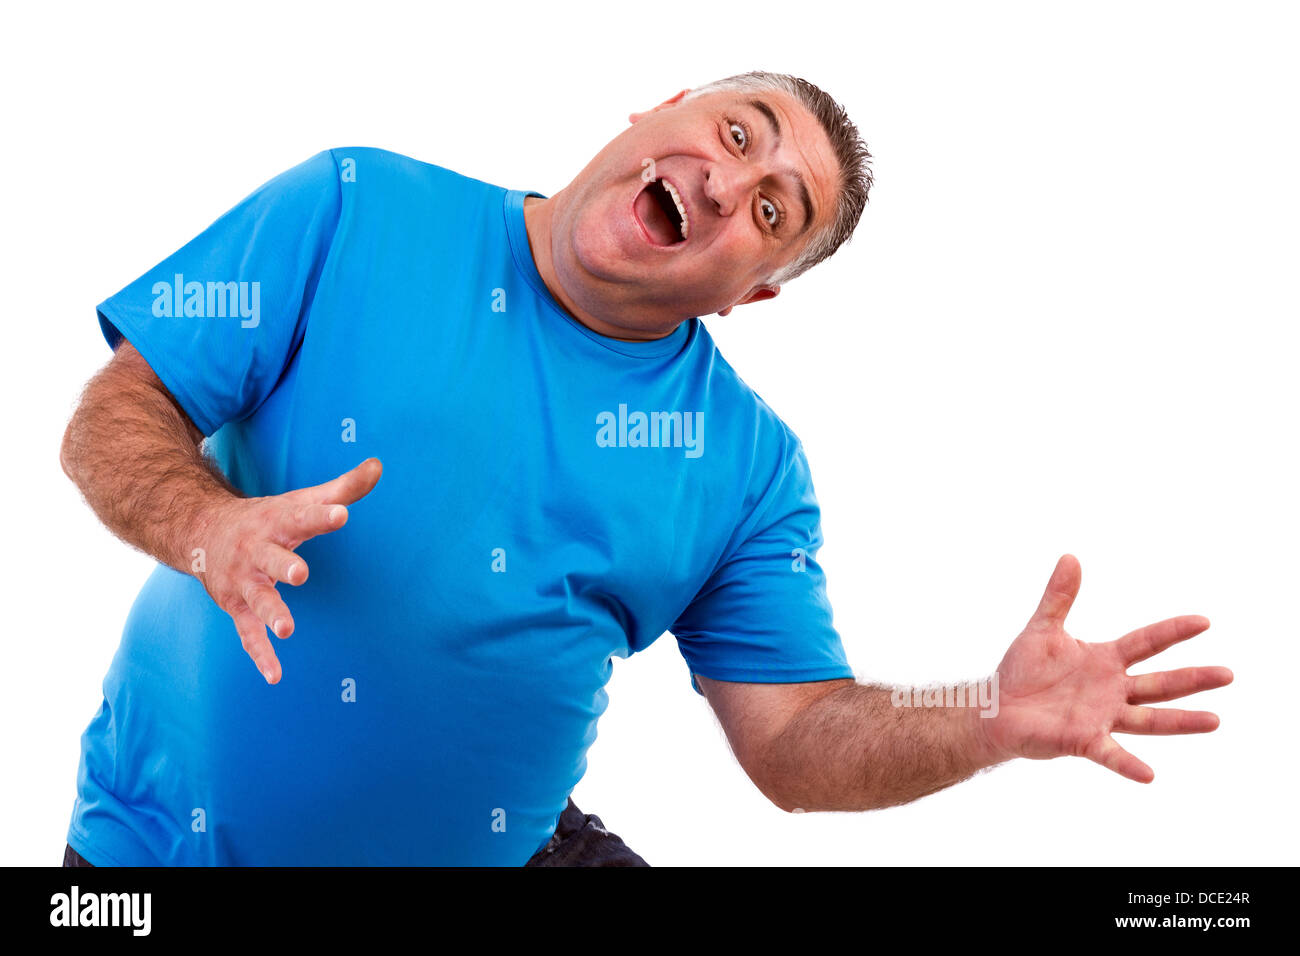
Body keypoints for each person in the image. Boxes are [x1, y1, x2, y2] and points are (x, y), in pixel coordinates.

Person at [59, 71, 1231, 867]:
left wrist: (978, 712)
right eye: (736, 133)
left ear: (752, 292)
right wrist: (204, 521)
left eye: (775, 208)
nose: (730, 183)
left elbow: (793, 733)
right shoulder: (354, 205)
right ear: (661, 108)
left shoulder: (746, 464)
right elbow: (121, 411)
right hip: (159, 841)